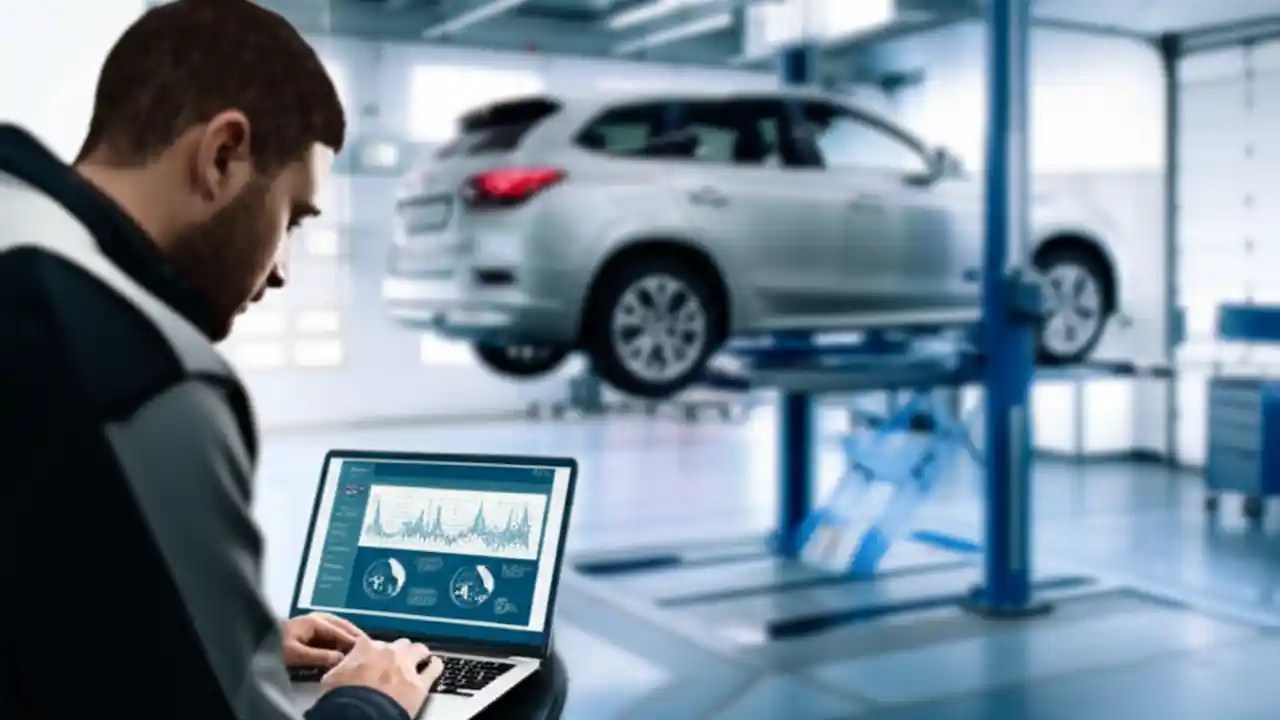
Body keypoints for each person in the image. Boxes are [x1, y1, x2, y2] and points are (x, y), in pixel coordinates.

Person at [0, 1, 444, 718]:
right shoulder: (139, 372)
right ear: (223, 156)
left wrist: (234, 643)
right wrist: (373, 701)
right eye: (291, 220)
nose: (281, 273)